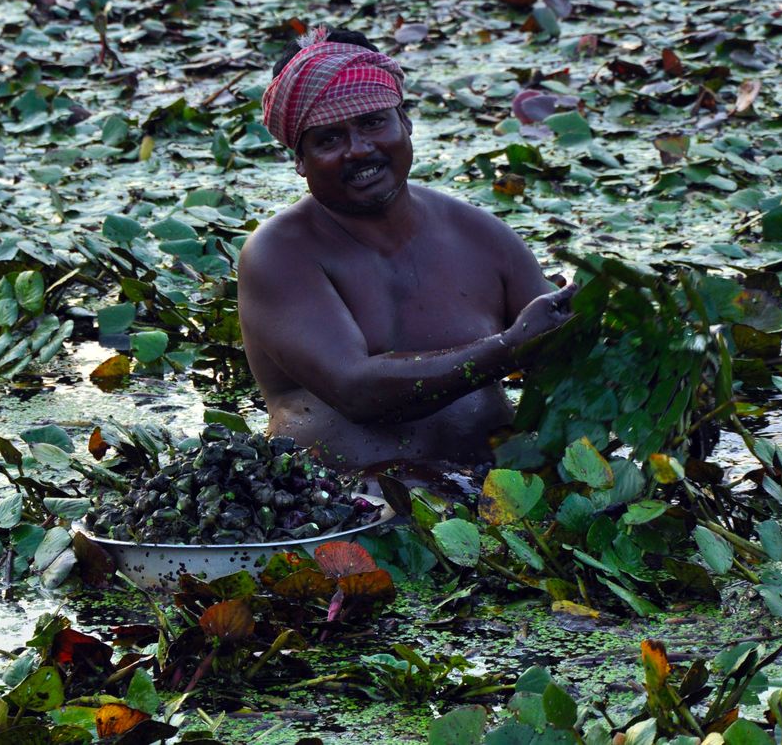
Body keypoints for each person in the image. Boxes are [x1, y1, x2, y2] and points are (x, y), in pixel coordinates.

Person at [238, 27, 576, 470]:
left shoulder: (481, 235)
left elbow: (567, 359)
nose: (358, 150)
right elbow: (355, 390)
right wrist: (509, 347)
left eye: (373, 122)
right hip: (342, 511)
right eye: (329, 139)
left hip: (498, 495)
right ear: (299, 159)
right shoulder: (278, 255)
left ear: (405, 121)